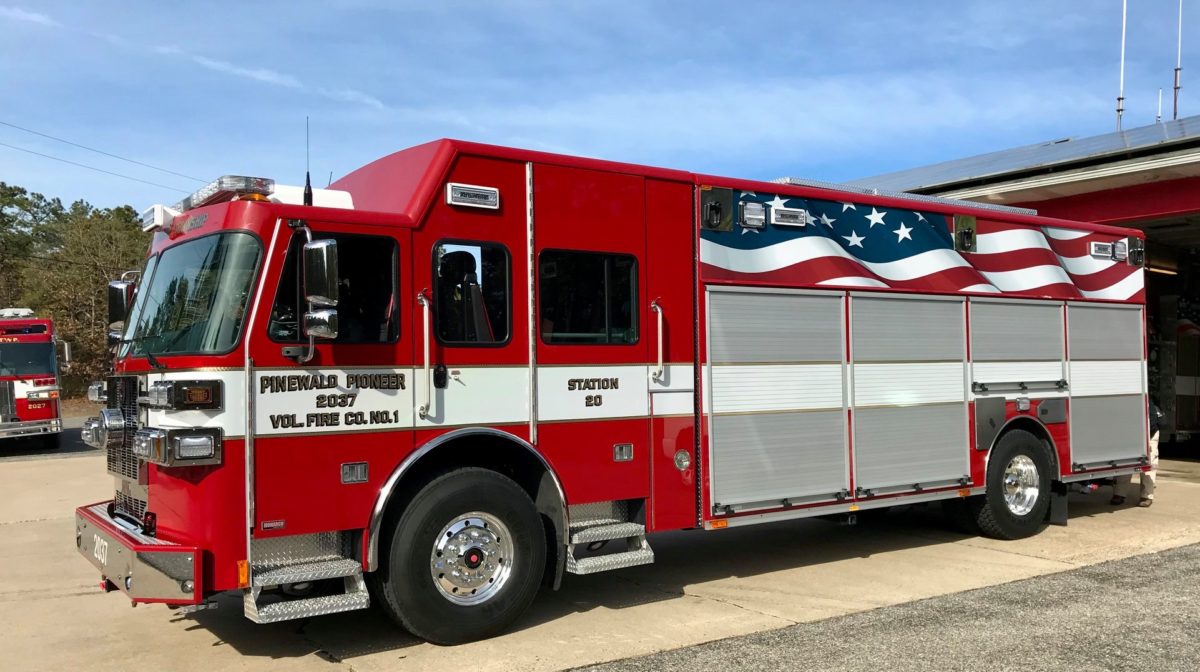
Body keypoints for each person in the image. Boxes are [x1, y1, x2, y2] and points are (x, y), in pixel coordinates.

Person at [1111, 399, 1164, 508]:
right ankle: (1119, 494)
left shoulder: (1146, 401)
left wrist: (1144, 442)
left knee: (1148, 465)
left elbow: (1152, 422)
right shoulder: (1125, 402)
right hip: (1131, 434)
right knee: (1125, 463)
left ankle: (1147, 496)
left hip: (1149, 434)